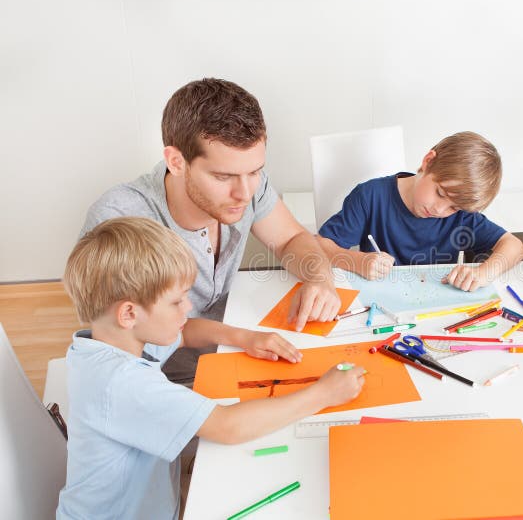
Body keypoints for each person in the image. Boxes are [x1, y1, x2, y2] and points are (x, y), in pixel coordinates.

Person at [57, 217, 364, 520]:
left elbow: (186, 331)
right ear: (128, 313)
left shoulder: (112, 341)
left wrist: (242, 336)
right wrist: (323, 394)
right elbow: (227, 426)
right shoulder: (122, 382)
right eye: (176, 302)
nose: (188, 307)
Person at [82, 78, 340, 384]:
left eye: (254, 171)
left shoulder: (244, 184)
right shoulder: (120, 219)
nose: (244, 193)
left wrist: (320, 279)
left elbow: (291, 238)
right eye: (223, 177)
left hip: (236, 347)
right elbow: (115, 355)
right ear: (176, 162)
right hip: (165, 382)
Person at [316, 131, 523, 291]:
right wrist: (356, 261)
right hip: (377, 306)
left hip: (435, 312)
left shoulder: (462, 216)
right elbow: (320, 245)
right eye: (440, 194)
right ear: (428, 162)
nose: (439, 209)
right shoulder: (370, 196)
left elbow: (514, 246)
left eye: (454, 207)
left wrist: (483, 273)